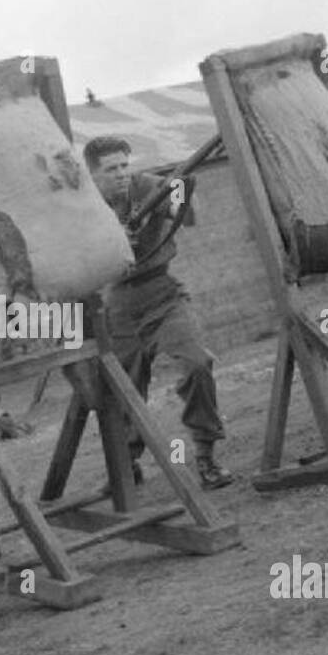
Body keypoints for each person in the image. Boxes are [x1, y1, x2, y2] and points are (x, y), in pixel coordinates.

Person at [83, 136, 233, 489]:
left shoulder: (148, 186)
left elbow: (190, 215)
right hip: (118, 306)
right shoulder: (84, 209)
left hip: (163, 296)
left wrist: (177, 193)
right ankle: (127, 464)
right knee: (121, 390)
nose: (121, 175)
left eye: (124, 165)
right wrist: (109, 240)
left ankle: (206, 455)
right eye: (111, 170)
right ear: (92, 176)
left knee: (197, 363)